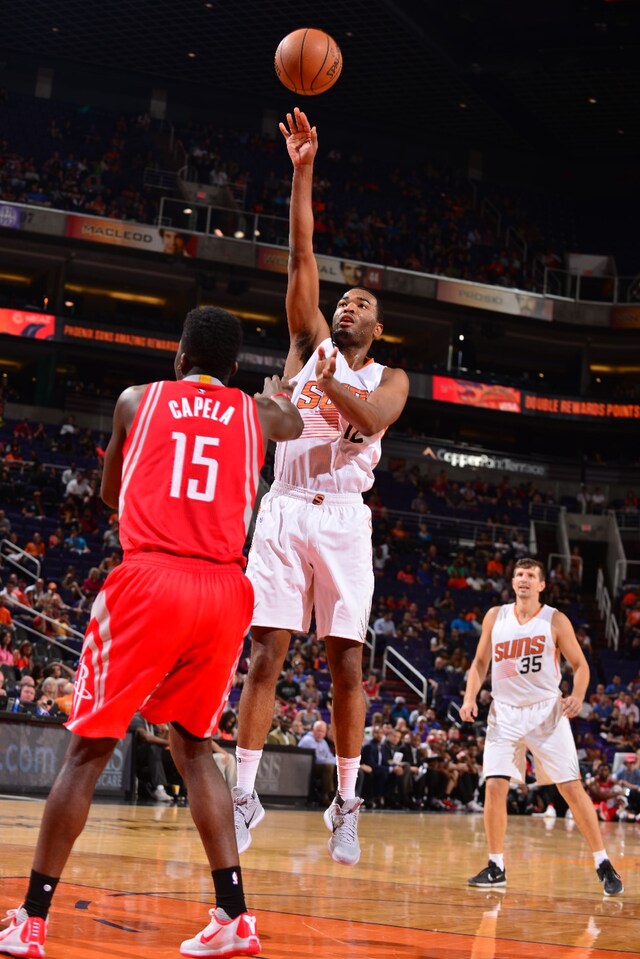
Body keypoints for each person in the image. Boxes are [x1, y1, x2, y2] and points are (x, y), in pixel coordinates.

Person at [0, 305, 303, 959]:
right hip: (225, 592)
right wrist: (272, 392)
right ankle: (234, 914)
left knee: (87, 751)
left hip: (152, 579)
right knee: (193, 746)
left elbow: (112, 493)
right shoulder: (259, 415)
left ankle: (31, 918)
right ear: (232, 368)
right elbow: (294, 417)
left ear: (178, 358)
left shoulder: (136, 400)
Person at [233, 107, 409, 868]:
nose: (348, 304)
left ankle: (346, 801)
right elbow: (302, 249)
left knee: (346, 665)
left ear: (379, 326)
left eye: (363, 304)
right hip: (281, 507)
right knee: (264, 653)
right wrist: (302, 167)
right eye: (346, 300)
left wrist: (333, 388)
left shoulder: (386, 376)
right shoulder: (310, 343)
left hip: (342, 517)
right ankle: (243, 794)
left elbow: (368, 423)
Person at [460, 557, 624, 897]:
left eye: (531, 575)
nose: (523, 579)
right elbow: (478, 662)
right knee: (494, 785)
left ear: (541, 585)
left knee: (571, 788)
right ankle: (496, 866)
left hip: (546, 713)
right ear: (513, 581)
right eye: (519, 574)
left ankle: (602, 862)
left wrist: (578, 695)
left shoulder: (554, 619)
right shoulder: (496, 616)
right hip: (503, 713)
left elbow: (580, 666)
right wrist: (469, 697)